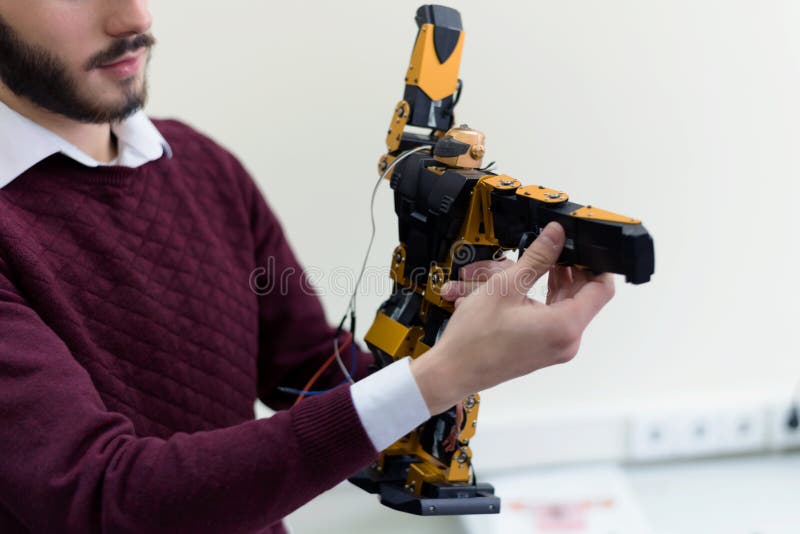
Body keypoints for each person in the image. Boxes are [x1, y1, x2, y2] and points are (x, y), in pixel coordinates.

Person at [0, 1, 615, 533]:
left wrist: (448, 334)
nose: (133, 18)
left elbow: (306, 372)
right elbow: (105, 500)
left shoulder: (200, 166)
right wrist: (442, 375)